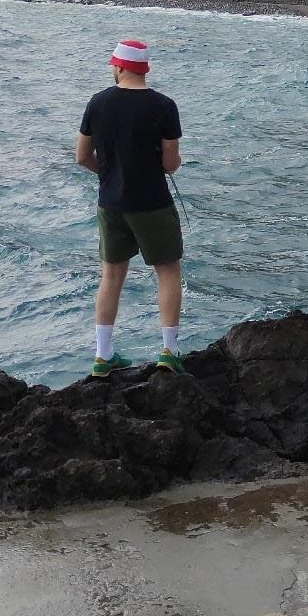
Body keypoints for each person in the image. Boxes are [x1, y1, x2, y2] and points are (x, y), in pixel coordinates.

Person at [76, 40, 185, 377]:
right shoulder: (164, 106)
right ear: (143, 69)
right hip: (152, 202)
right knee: (167, 271)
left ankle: (103, 355)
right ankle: (169, 351)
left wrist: (108, 174)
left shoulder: (98, 103)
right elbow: (170, 164)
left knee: (111, 275)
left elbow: (82, 157)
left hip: (111, 203)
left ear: (119, 67)